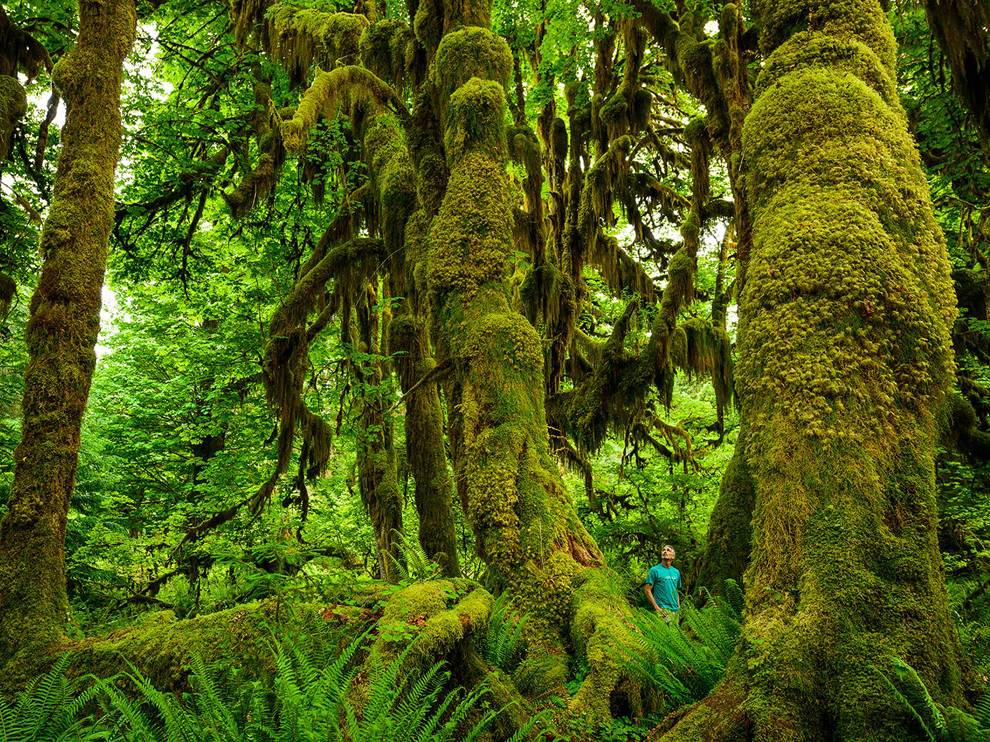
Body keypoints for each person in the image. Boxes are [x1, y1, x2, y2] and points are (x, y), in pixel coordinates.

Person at [644, 544, 681, 620]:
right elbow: (647, 590)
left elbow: (676, 590)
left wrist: (678, 606)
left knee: (674, 631)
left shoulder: (676, 572)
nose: (665, 551)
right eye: (663, 550)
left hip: (675, 610)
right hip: (662, 609)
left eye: (668, 550)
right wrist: (656, 607)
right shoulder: (654, 570)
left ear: (673, 556)